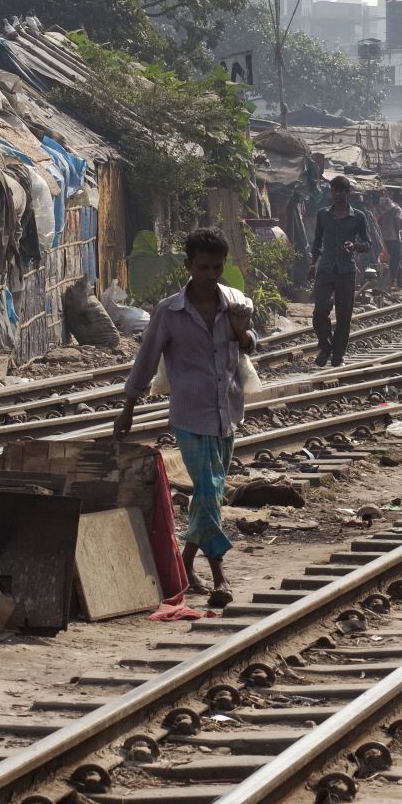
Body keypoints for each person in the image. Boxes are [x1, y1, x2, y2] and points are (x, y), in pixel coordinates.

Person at [116, 227, 255, 610]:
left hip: (227, 411)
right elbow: (146, 361)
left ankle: (184, 561)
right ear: (189, 266)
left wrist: (243, 334)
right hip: (189, 414)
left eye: (217, 267)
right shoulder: (168, 312)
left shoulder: (237, 304)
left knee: (210, 493)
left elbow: (250, 345)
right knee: (210, 491)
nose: (211, 274)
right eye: (203, 267)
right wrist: (128, 407)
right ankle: (220, 575)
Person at [309, 176, 370, 368]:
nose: (337, 194)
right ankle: (325, 346)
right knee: (319, 312)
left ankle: (338, 355)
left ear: (347, 193)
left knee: (344, 315)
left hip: (346, 270)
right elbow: (317, 242)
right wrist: (313, 264)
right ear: (331, 192)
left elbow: (368, 244)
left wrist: (355, 246)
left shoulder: (358, 216)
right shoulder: (323, 215)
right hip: (325, 268)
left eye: (341, 191)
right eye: (334, 190)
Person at [375, 190, 402, 292]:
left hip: (383, 237)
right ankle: (393, 281)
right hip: (392, 237)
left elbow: (378, 220)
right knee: (395, 259)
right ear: (400, 200)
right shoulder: (397, 209)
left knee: (385, 258)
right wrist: (397, 236)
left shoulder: (385, 207)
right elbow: (397, 223)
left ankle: (387, 280)